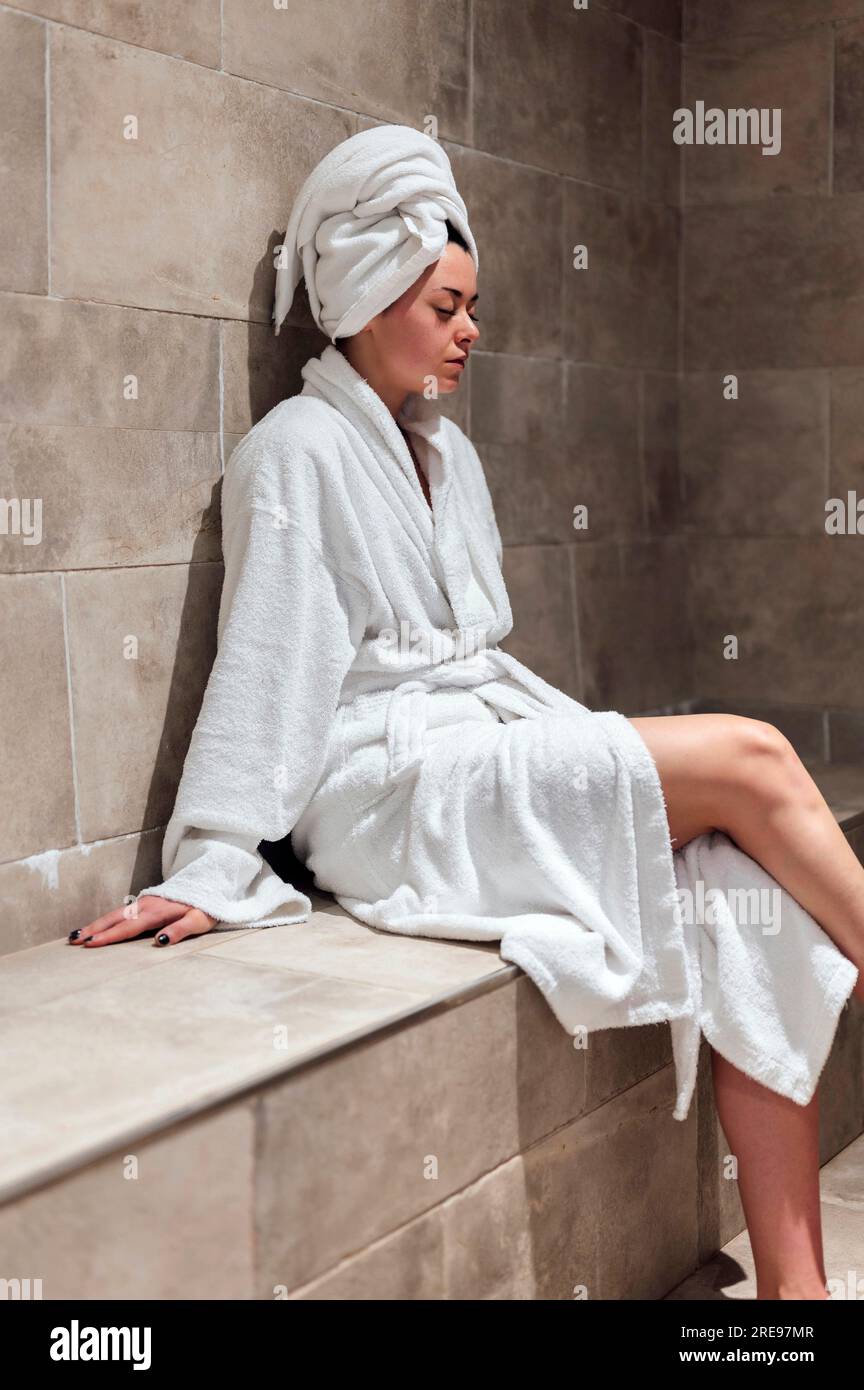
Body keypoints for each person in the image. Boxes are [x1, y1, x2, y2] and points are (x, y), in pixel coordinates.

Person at [70, 126, 864, 1302]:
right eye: (446, 304)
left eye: (471, 305)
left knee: (749, 896)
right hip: (389, 790)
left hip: (474, 746)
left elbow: (477, 652)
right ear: (370, 289)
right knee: (755, 755)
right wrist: (217, 852)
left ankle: (794, 1304)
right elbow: (269, 662)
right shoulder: (295, 453)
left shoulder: (450, 456)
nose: (469, 329)